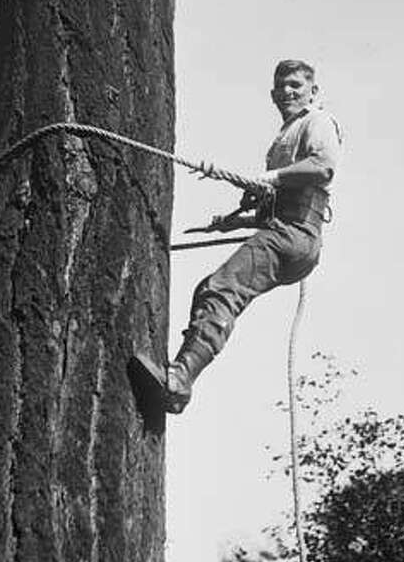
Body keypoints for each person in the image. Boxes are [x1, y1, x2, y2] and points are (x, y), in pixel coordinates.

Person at [138, 58, 343, 413]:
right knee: (211, 289)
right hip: (287, 231)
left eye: (296, 85)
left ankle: (179, 379)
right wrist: (232, 224)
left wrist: (269, 178)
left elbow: (322, 166)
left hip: (294, 234)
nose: (288, 92)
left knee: (220, 290)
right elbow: (277, 203)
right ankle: (180, 375)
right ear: (272, 94)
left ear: (314, 90)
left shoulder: (317, 121)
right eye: (281, 86)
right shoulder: (283, 138)